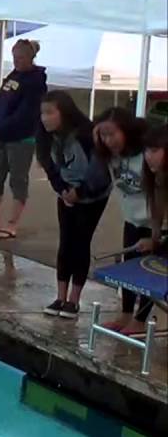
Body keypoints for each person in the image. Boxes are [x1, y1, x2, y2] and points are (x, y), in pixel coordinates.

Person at [35, 91, 110, 319]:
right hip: (66, 191)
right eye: (42, 113)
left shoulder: (86, 135)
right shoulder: (46, 136)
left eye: (50, 113)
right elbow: (49, 167)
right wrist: (63, 190)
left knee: (81, 242)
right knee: (65, 241)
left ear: (64, 113)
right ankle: (60, 296)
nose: (45, 118)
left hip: (92, 194)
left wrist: (80, 192)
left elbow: (100, 173)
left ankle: (74, 300)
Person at [88, 109, 155, 335]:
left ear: (126, 130)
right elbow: (93, 178)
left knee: (147, 272)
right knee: (128, 268)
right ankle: (125, 314)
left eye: (112, 134)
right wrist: (96, 141)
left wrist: (157, 233)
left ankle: (140, 320)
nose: (108, 140)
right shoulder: (111, 155)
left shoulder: (146, 155)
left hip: (153, 223)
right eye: (103, 135)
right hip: (131, 219)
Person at [0, 39, 46, 240]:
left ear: (30, 58)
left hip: (21, 138)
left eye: (20, 58)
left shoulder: (36, 82)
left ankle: (12, 223)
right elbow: (2, 102)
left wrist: (7, 126)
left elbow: (27, 113)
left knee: (18, 179)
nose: (17, 61)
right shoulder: (13, 76)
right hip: (1, 135)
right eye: (14, 58)